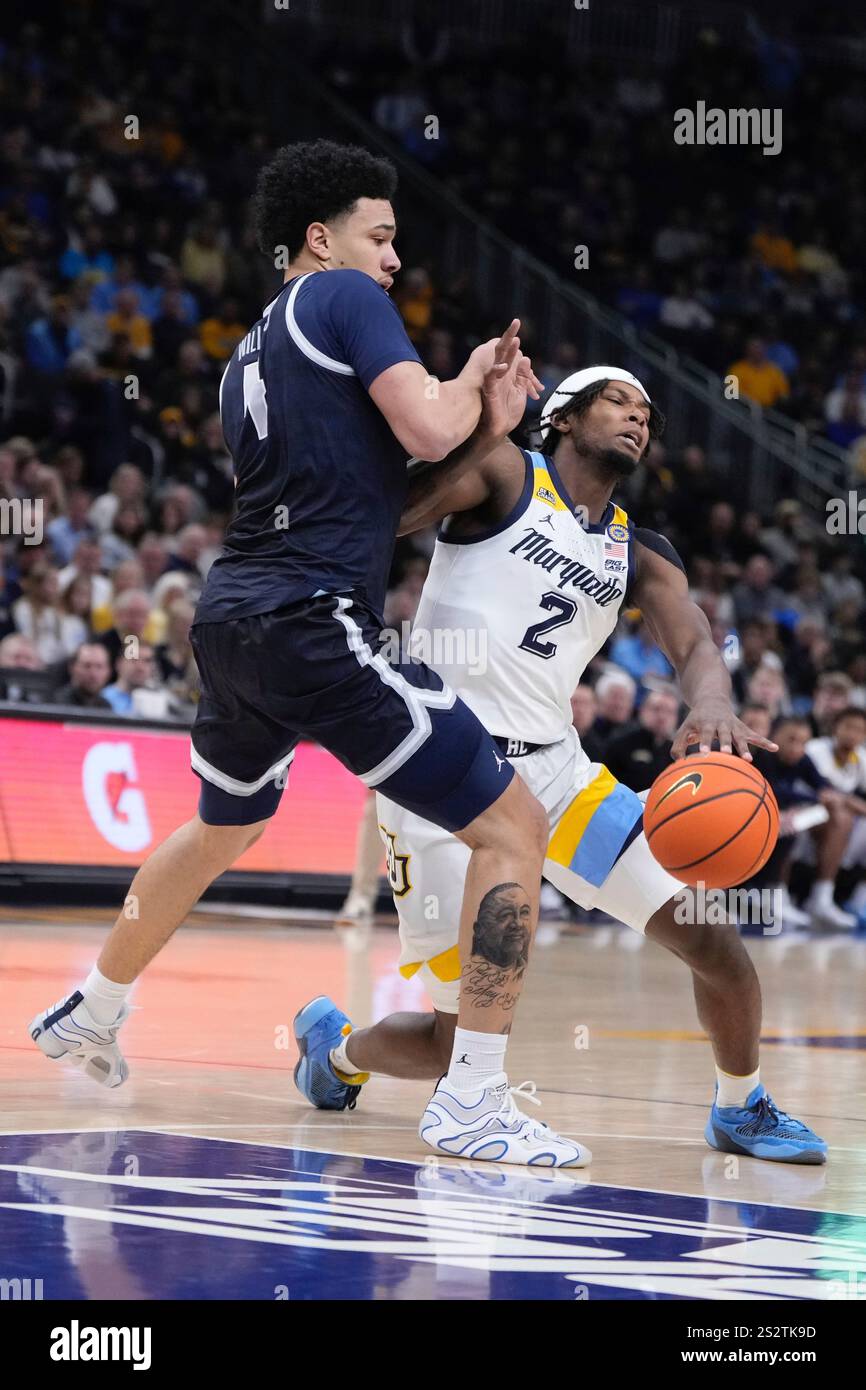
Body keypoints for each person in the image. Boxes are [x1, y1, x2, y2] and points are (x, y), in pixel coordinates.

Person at [29, 139, 574, 1169]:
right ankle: (474, 1100)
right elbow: (417, 424)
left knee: (221, 823)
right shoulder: (341, 300)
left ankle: (93, 1007)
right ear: (320, 240)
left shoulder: (247, 355)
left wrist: (485, 422)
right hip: (311, 617)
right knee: (514, 823)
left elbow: (371, 491)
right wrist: (465, 383)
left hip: (231, 615)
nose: (391, 262)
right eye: (381, 237)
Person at [302, 366, 827, 1164]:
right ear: (563, 417)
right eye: (620, 402)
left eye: (648, 413)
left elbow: (691, 640)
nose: (639, 419)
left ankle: (740, 1105)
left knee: (715, 944)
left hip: (558, 774)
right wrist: (472, 427)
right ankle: (338, 1053)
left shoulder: (637, 547)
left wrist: (713, 700)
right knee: (454, 1044)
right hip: (445, 778)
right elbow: (386, 509)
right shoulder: (506, 470)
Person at [752, 715, 866, 930]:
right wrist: (816, 798)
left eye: (802, 742)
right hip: (756, 818)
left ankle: (818, 897)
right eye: (791, 740)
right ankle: (772, 894)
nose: (797, 748)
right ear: (774, 736)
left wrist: (827, 795)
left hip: (790, 816)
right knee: (788, 822)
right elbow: (772, 790)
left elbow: (822, 786)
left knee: (819, 818)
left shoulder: (803, 758)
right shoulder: (763, 756)